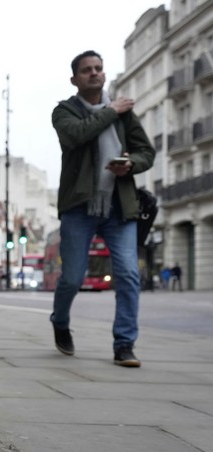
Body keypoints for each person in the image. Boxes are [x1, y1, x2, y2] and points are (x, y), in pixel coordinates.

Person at [50, 50, 155, 368]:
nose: (94, 73)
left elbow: (146, 152)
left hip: (118, 206)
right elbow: (77, 135)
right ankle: (60, 321)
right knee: (71, 277)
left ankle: (124, 344)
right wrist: (111, 109)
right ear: (75, 79)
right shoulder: (64, 111)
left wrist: (130, 164)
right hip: (78, 207)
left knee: (127, 274)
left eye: (98, 68)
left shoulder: (124, 114)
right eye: (86, 70)